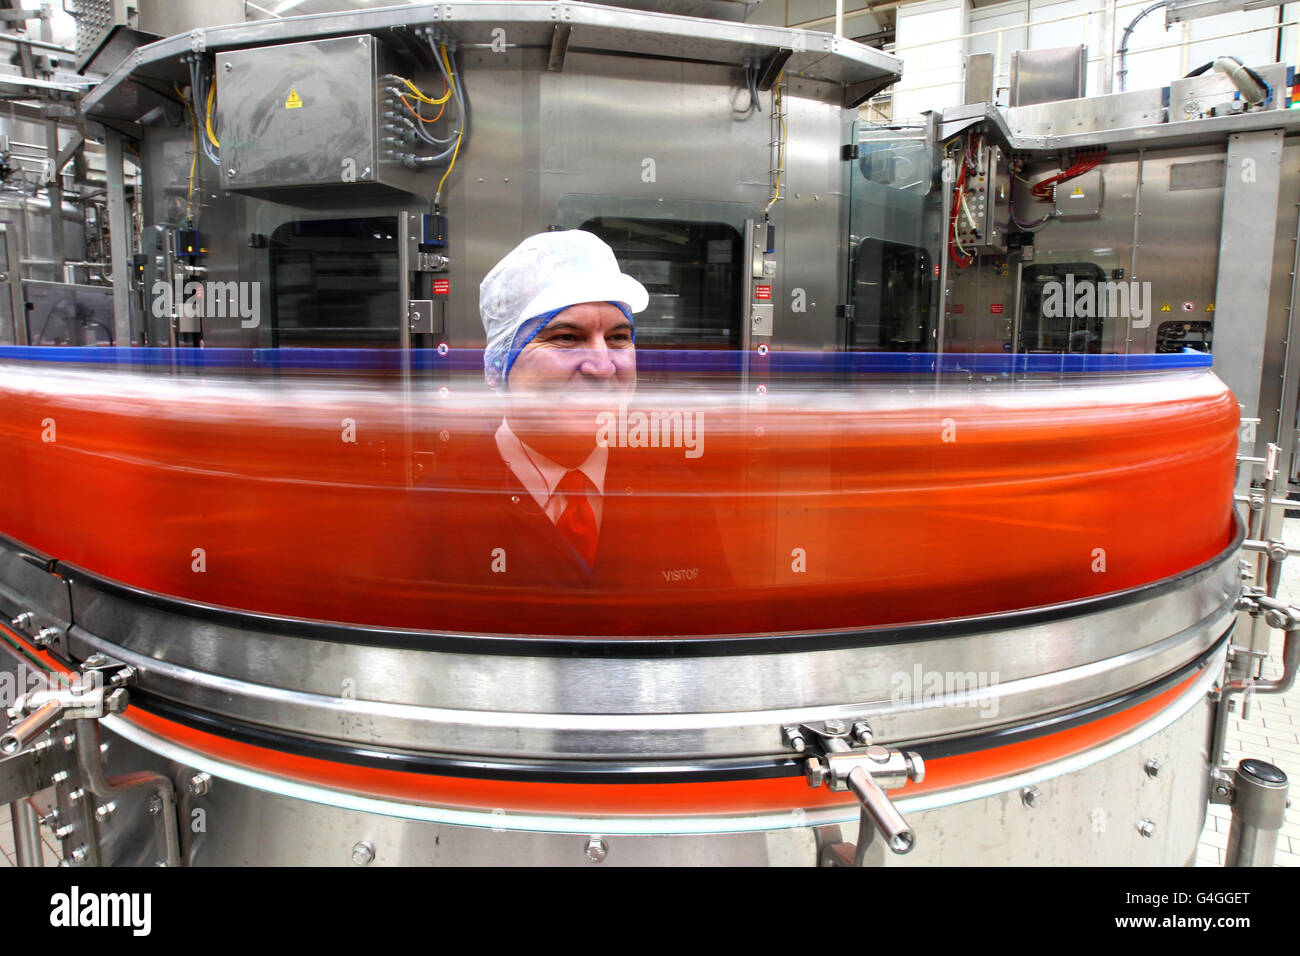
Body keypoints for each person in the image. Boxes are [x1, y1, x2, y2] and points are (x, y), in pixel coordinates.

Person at [433, 229, 734, 595]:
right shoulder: (437, 510)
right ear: (500, 364)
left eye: (618, 338)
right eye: (566, 338)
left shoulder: (678, 494)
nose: (603, 366)